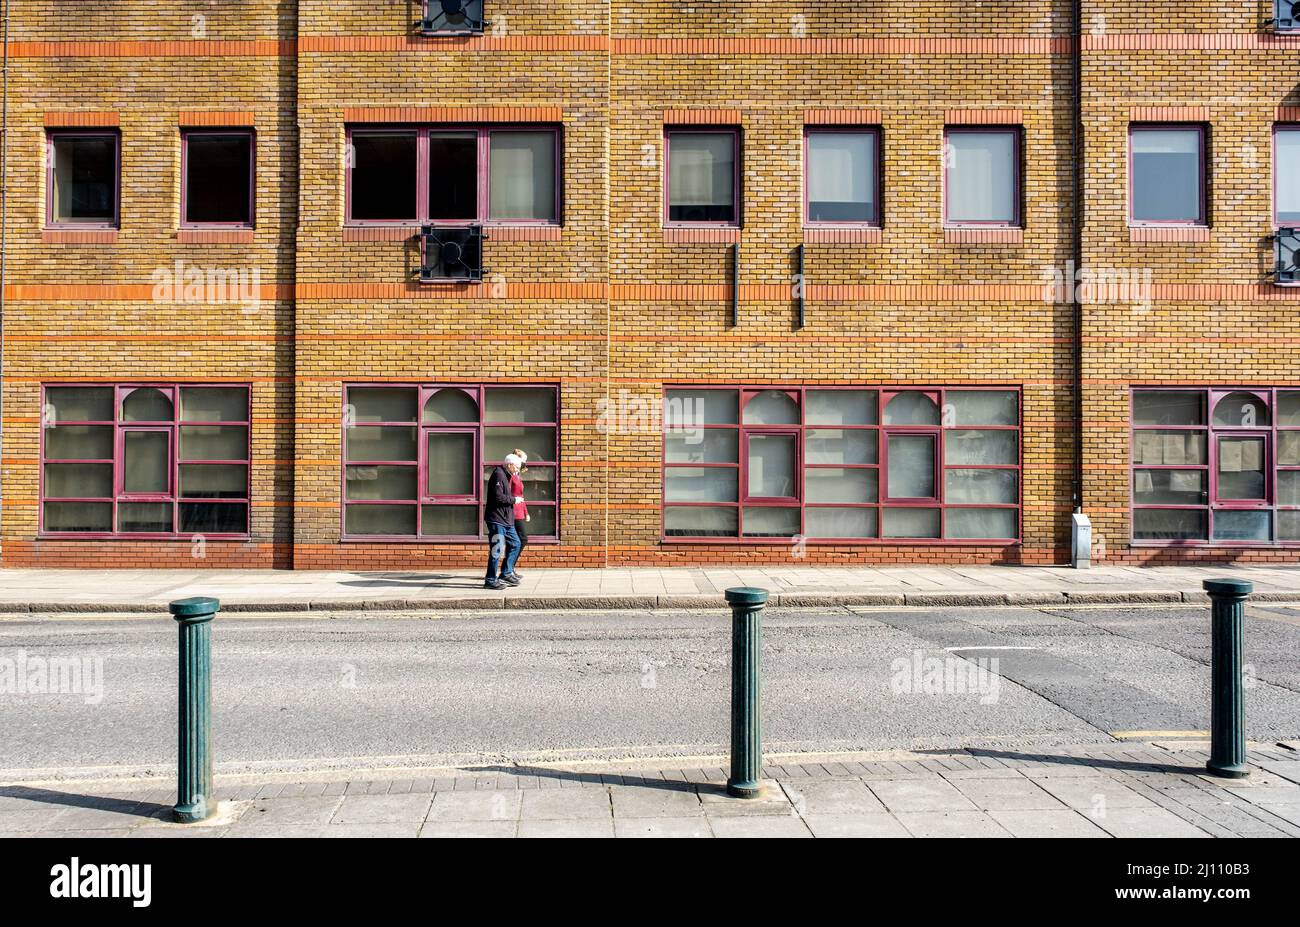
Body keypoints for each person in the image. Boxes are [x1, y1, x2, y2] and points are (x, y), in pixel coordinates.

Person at [484, 454, 523, 589]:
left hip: (506, 520)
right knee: (497, 549)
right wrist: (514, 500)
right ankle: (490, 580)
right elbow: (498, 497)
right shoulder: (498, 474)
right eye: (517, 467)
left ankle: (506, 573)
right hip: (497, 520)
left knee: (516, 543)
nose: (518, 470)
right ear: (510, 465)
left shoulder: (507, 475)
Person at [510, 448, 530, 575]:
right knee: (522, 539)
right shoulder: (511, 476)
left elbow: (521, 496)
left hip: (519, 512)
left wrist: (526, 512)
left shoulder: (517, 475)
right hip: (513, 513)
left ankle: (510, 568)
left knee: (517, 541)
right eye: (523, 461)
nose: (524, 464)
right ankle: (509, 567)